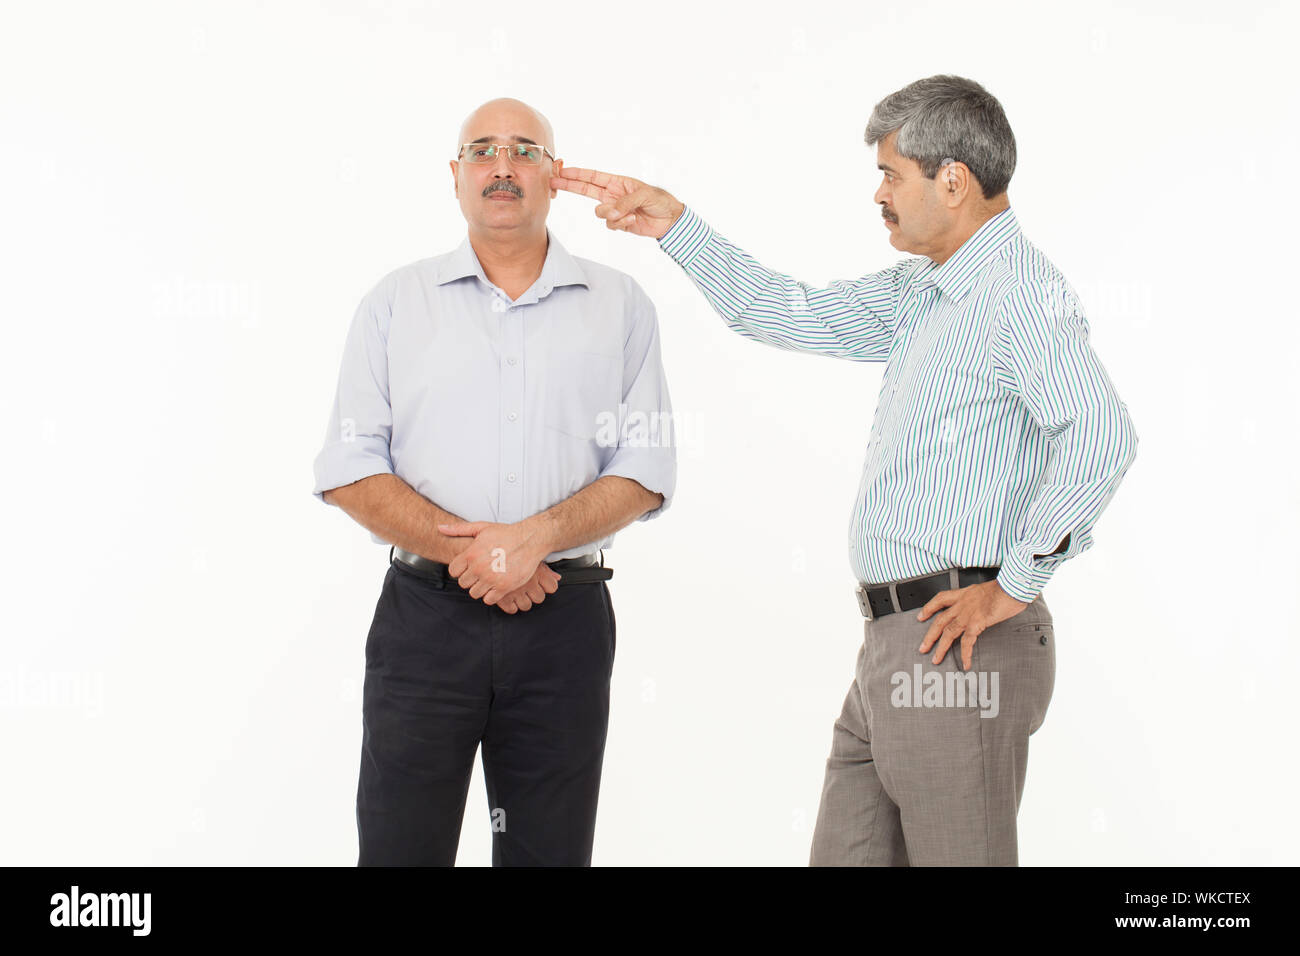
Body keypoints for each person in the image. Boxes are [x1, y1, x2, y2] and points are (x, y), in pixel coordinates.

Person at [552, 75, 1137, 866]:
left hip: (959, 647)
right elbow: (780, 309)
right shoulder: (923, 293)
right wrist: (674, 224)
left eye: (892, 174)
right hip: (893, 648)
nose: (879, 194)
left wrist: (1015, 584)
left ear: (953, 180)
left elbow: (1102, 434)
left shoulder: (1019, 296)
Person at [312, 97, 676, 866]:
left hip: (564, 626)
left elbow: (646, 470)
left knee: (548, 854)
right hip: (423, 626)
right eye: (482, 151)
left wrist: (532, 540)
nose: (502, 166)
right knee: (399, 850)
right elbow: (350, 468)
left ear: (555, 176)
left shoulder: (620, 306)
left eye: (524, 150)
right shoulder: (393, 304)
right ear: (456, 177)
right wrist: (477, 556)